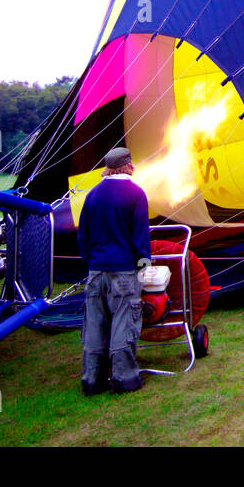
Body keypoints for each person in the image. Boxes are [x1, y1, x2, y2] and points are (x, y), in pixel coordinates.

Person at [78, 147, 151, 395]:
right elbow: (140, 237)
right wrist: (144, 267)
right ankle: (124, 378)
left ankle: (92, 379)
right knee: (124, 321)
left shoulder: (93, 194)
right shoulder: (135, 193)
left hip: (96, 269)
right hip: (123, 270)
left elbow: (84, 235)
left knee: (95, 324)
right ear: (129, 165)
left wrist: (89, 263)